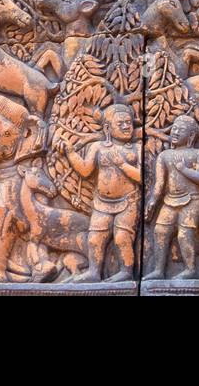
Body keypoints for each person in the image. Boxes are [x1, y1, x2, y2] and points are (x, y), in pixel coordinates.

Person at [67, 103, 142, 282]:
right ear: (107, 128)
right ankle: (94, 272)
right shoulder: (98, 147)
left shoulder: (135, 149)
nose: (126, 127)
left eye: (128, 123)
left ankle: (126, 271)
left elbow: (141, 177)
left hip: (128, 201)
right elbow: (85, 170)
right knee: (94, 239)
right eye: (120, 123)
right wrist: (70, 153)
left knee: (122, 237)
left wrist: (122, 164)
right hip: (102, 203)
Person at [145, 114, 199, 279]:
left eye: (182, 130)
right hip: (170, 200)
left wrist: (184, 169)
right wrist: (152, 201)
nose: (177, 132)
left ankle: (190, 269)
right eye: (175, 129)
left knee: (184, 234)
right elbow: (160, 183)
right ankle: (158, 270)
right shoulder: (164, 156)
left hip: (192, 199)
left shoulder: (197, 154)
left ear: (192, 136)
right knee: (160, 231)